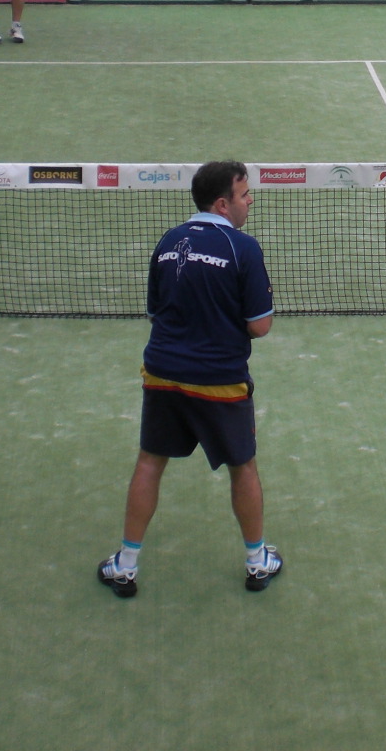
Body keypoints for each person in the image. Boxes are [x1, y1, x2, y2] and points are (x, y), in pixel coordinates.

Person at [97, 160, 282, 599]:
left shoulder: (167, 241)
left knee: (149, 462)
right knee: (244, 469)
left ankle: (125, 565)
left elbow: (155, 311)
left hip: (161, 374)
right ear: (223, 203)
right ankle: (257, 563)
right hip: (218, 382)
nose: (250, 199)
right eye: (244, 194)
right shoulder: (243, 248)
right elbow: (260, 325)